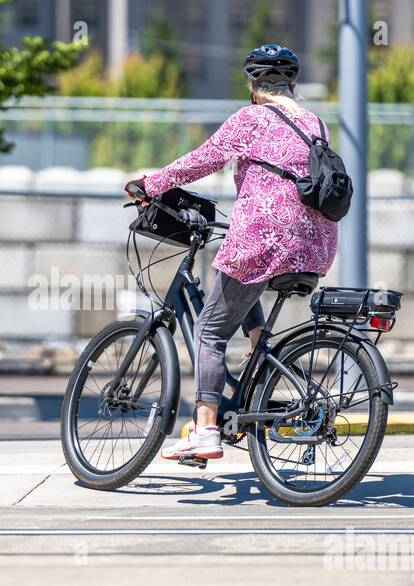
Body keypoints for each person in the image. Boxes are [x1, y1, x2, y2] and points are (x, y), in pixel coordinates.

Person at [124, 44, 339, 461]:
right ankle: (259, 369)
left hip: (264, 238)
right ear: (292, 85)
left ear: (254, 87)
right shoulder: (315, 123)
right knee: (241, 282)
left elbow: (202, 161)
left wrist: (149, 185)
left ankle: (204, 428)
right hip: (315, 245)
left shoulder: (251, 118)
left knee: (209, 330)